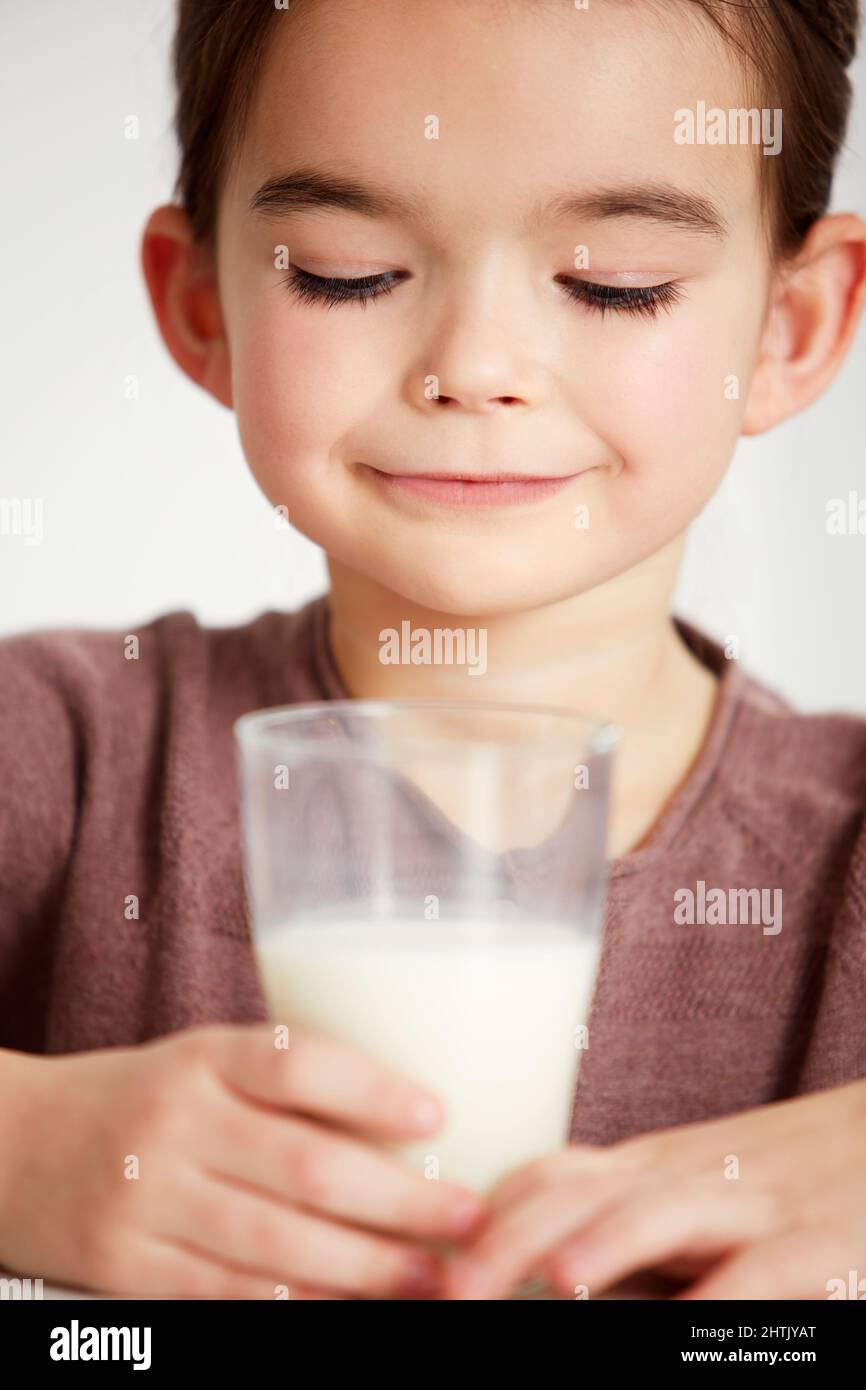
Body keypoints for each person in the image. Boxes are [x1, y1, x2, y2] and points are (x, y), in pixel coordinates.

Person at [1, 0, 865, 1300]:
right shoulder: (61, 754)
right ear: (202, 304)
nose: (474, 368)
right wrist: (23, 1150)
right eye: (346, 271)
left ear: (788, 329)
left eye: (614, 284)